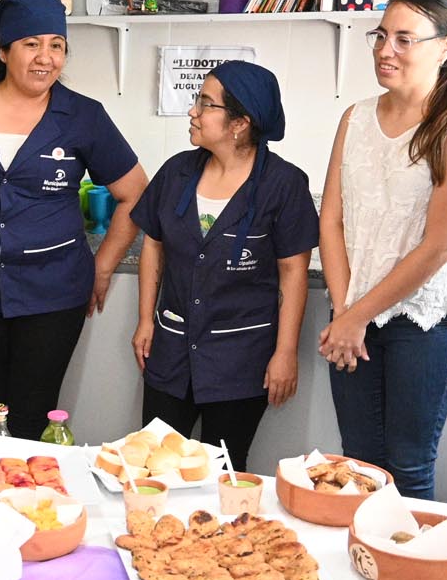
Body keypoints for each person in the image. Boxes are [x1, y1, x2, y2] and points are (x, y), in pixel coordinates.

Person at [0, 0, 148, 443]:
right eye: (31, 44)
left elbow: (134, 194)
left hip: (54, 293)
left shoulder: (83, 116)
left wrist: (100, 267)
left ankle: (29, 510)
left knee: (34, 413)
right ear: (2, 51)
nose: (46, 58)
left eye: (57, 45)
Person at [317, 0, 447, 500]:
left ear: (446, 46)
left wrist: (355, 315)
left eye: (405, 39)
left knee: (408, 469)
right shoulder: (356, 117)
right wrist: (346, 312)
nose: (386, 51)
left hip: (424, 322)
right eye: (381, 36)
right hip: (353, 319)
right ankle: (364, 575)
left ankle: (412, 573)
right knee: (357, 467)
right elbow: (331, 221)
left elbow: (440, 246)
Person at [129, 61, 318, 470]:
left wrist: (285, 352)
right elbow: (152, 246)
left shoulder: (284, 185)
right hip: (172, 350)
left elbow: (293, 273)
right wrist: (145, 319)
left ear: (240, 123)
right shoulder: (177, 171)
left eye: (205, 104)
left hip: (241, 359)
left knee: (222, 474)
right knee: (154, 466)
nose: (193, 112)